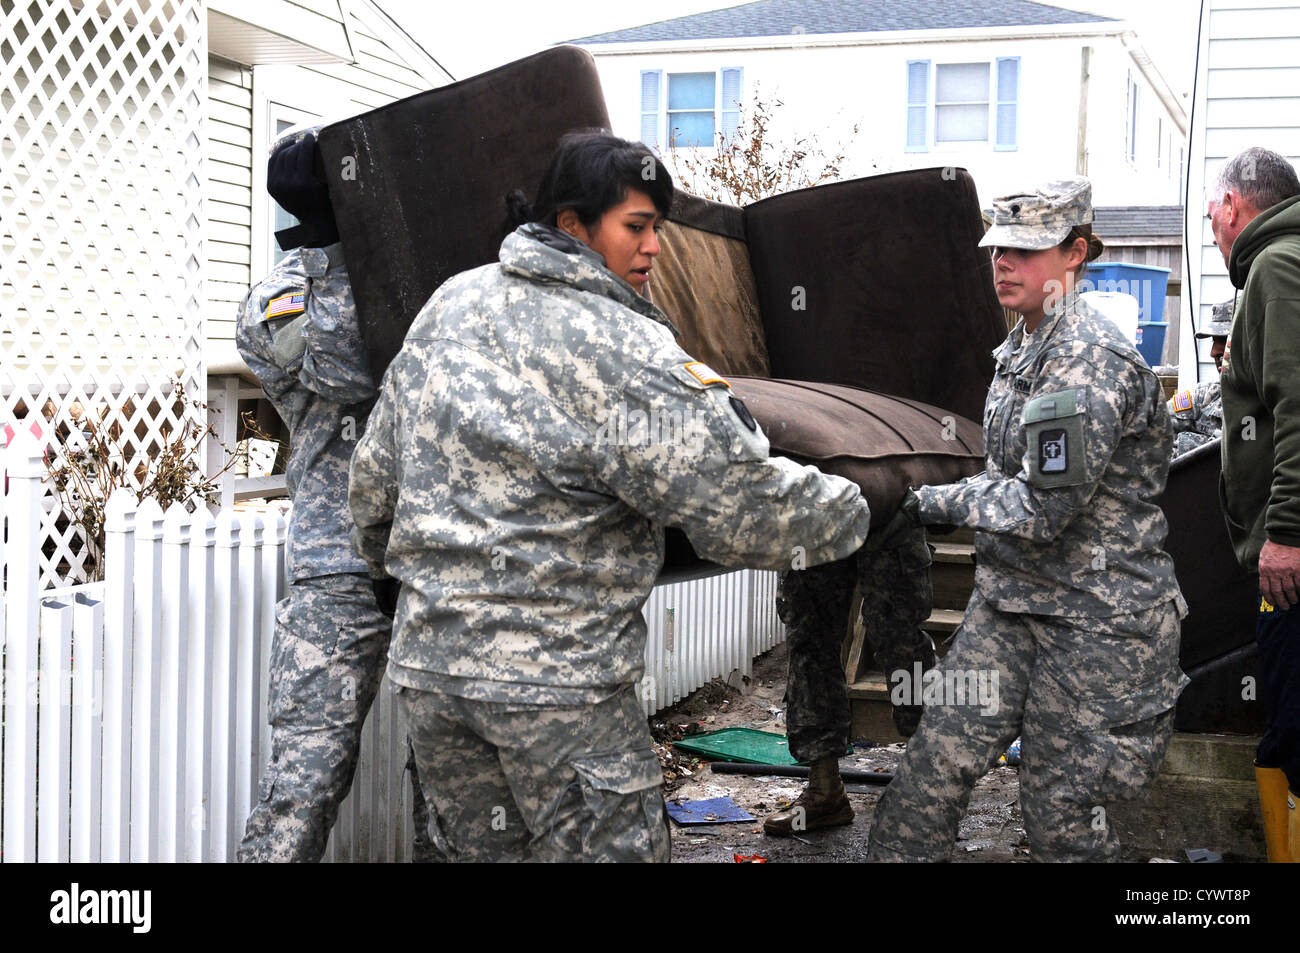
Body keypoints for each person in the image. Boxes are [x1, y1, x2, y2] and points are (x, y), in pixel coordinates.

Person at [348, 131, 873, 862]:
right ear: (572, 224)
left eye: (659, 225)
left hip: (436, 679)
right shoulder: (623, 346)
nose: (655, 246)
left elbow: (373, 487)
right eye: (636, 226)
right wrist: (862, 505)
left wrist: (396, 577)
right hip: (558, 689)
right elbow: (743, 508)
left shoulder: (450, 306)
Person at [866, 177, 1188, 862]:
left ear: (1075, 253)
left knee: (1060, 820)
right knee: (924, 781)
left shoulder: (1086, 359)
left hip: (1092, 621)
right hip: (1009, 602)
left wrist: (919, 500)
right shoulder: (1022, 347)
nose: (1003, 263)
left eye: (1024, 248)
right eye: (996, 248)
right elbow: (1008, 473)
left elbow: (1041, 508)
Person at [235, 126, 431, 863]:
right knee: (304, 785)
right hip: (337, 570)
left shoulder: (405, 277)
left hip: (426, 560)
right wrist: (355, 249)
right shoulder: (277, 301)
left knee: (450, 788)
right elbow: (350, 361)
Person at [1212, 146, 1300, 863]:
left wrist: (1287, 533)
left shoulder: (1275, 268)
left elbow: (1298, 405)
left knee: (1292, 734)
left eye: (1214, 205)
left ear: (1236, 205)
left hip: (1295, 562)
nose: (1211, 220)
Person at [763, 527, 935, 836]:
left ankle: (929, 789)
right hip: (816, 515)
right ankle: (825, 790)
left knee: (903, 643)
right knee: (809, 643)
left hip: (888, 511)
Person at [1168, 301, 1231, 459]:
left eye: (1225, 340)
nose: (1214, 352)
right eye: (1213, 341)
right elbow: (1154, 424)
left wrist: (1188, 444)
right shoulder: (1206, 396)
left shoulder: (1276, 404)